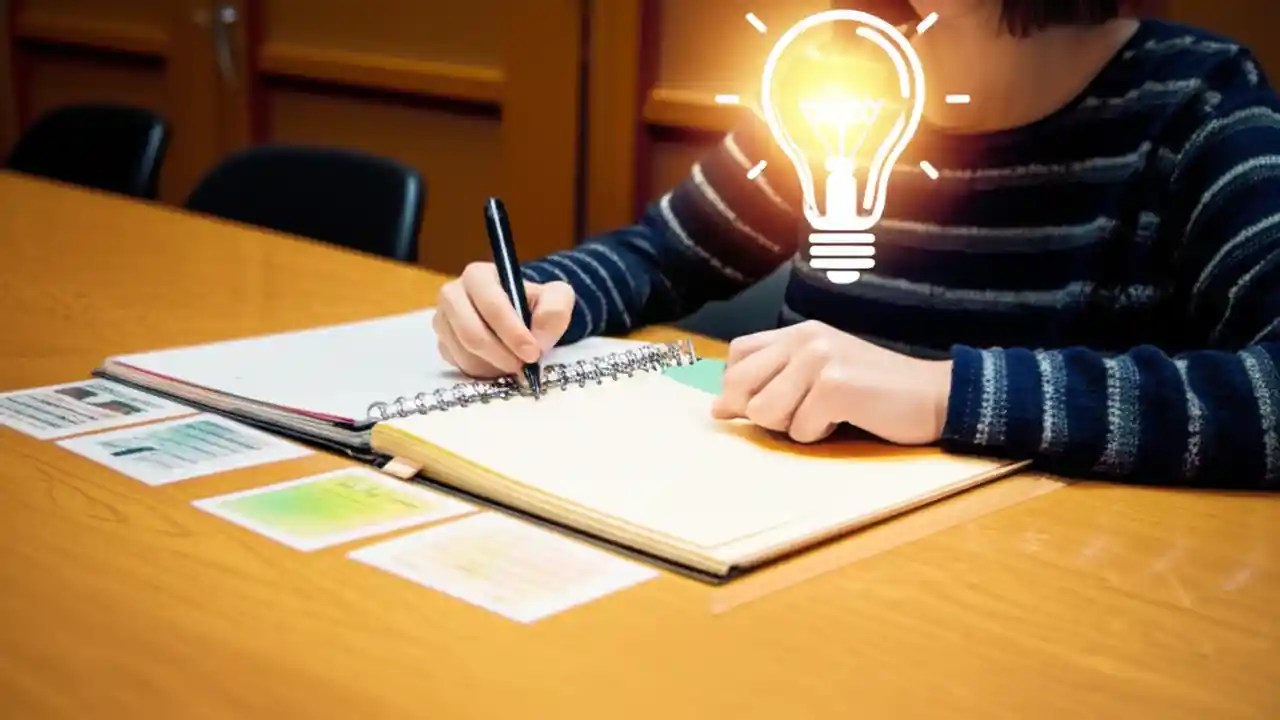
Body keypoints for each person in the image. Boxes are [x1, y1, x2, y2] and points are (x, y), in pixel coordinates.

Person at [433, 0, 1279, 489]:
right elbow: (662, 254)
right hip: (784, 543)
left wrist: (944, 393)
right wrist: (542, 296)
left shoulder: (1197, 110)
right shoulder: (841, 88)